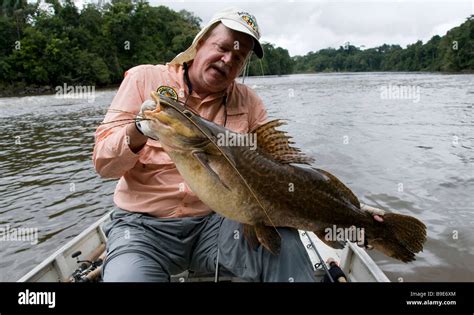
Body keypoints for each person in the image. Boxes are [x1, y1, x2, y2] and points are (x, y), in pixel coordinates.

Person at [93, 7, 384, 282]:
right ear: (200, 43)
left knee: (287, 245)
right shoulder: (145, 78)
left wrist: (351, 212)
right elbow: (104, 166)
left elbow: (279, 170)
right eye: (222, 47)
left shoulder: (250, 102)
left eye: (239, 56)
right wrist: (137, 130)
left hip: (219, 225)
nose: (228, 60)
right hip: (141, 229)